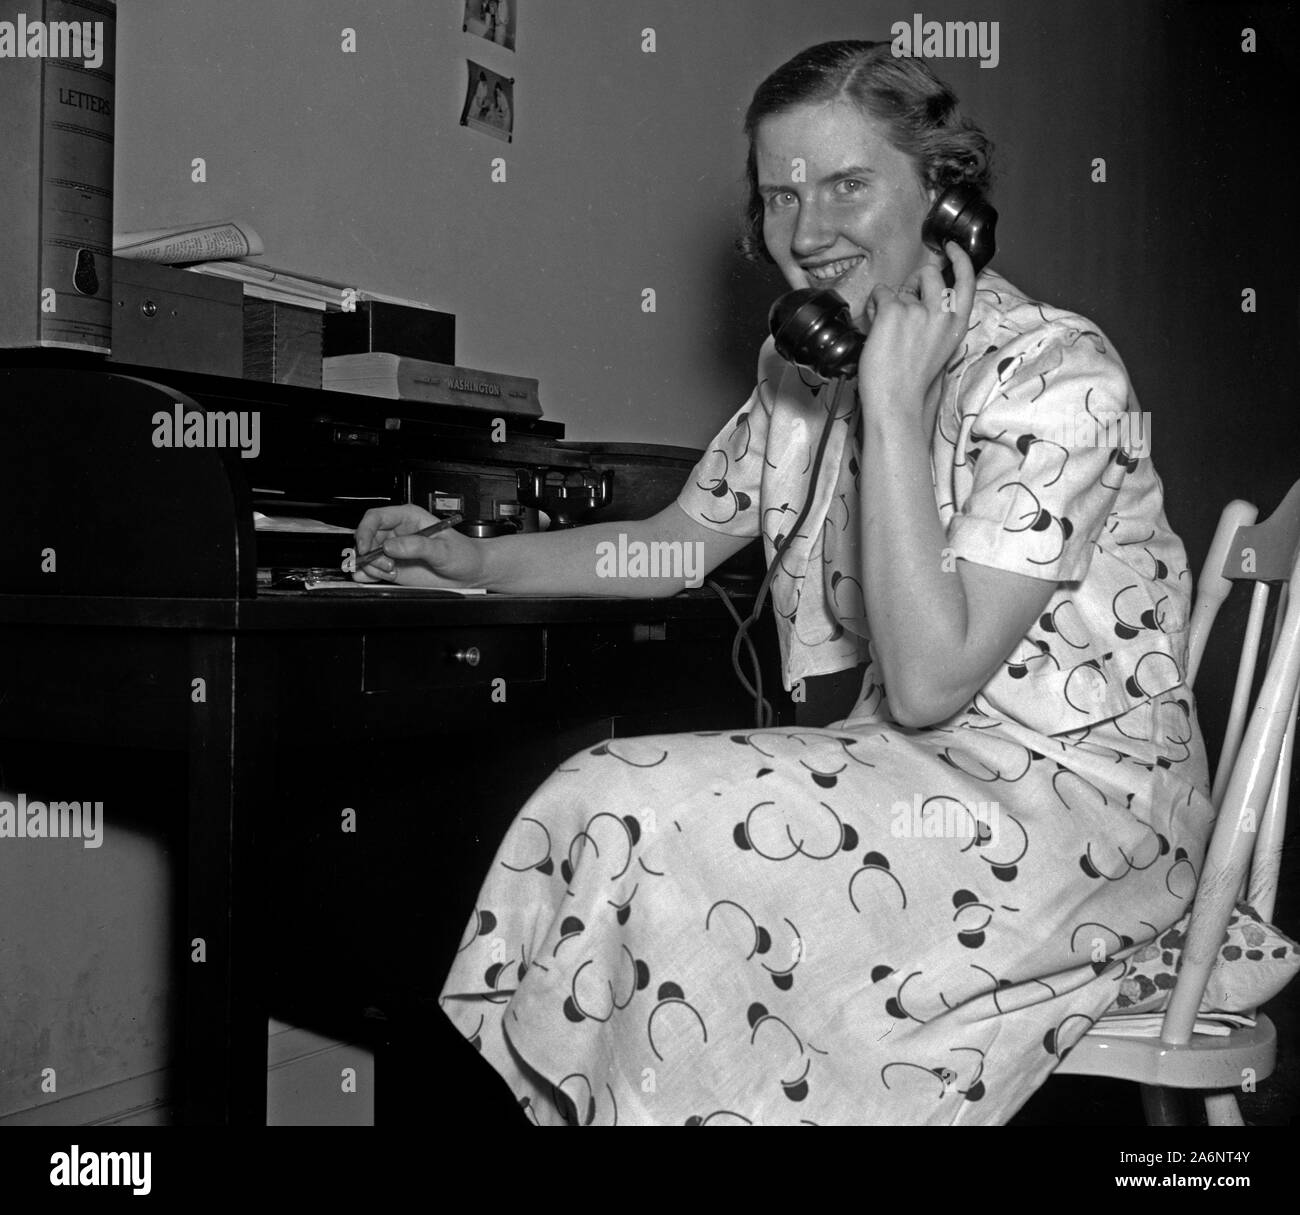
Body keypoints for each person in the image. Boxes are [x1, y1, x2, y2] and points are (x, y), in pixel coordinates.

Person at [354, 41, 1213, 1125]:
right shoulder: (808, 373)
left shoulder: (1057, 377)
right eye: (779, 197)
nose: (807, 232)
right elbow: (674, 543)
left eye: (849, 184)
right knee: (607, 801)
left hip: (1081, 810)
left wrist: (894, 409)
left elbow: (932, 681)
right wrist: (468, 560)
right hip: (907, 777)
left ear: (946, 201)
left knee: (626, 804)